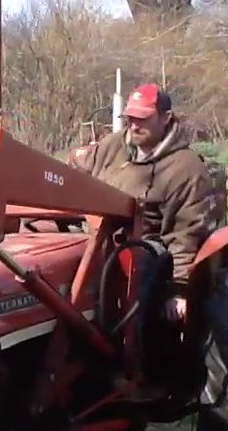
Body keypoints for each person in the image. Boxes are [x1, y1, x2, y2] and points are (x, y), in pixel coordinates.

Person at [77, 84, 218, 322]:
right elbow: (80, 171)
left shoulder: (186, 168)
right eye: (130, 118)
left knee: (137, 278)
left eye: (143, 118)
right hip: (94, 239)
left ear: (166, 118)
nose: (134, 125)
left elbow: (186, 232)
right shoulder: (114, 145)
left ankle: (129, 353)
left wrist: (178, 290)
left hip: (144, 249)